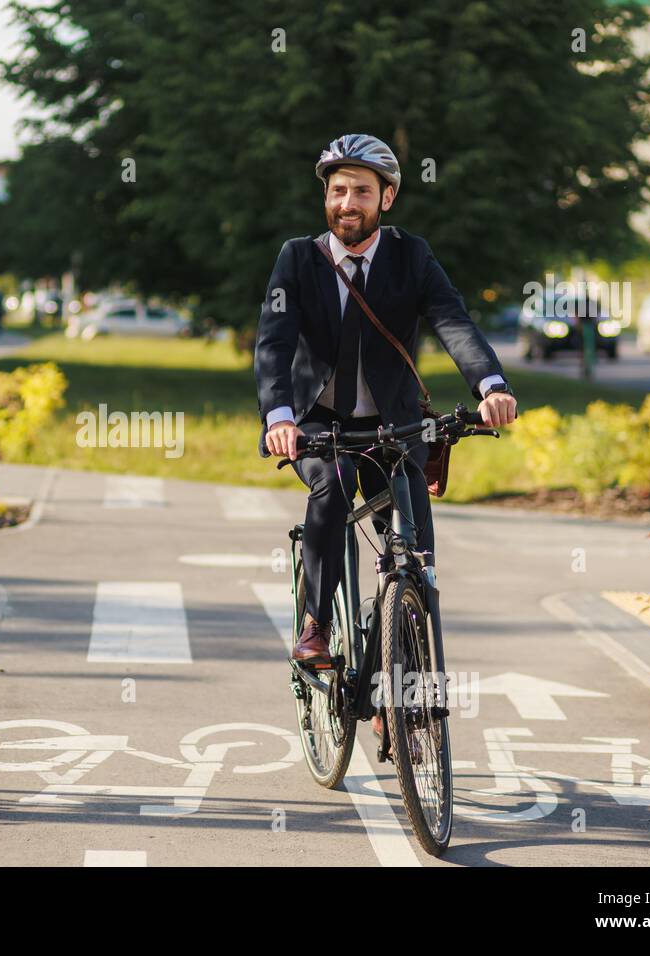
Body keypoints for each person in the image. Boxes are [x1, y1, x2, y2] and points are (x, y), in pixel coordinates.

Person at [254, 133, 518, 737]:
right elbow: (272, 344)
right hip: (318, 427)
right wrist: (280, 418)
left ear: (387, 198)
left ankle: (401, 693)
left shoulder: (411, 257)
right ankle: (317, 625)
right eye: (338, 190)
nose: (348, 202)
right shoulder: (298, 259)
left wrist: (490, 385)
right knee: (331, 490)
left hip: (395, 425)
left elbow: (453, 320)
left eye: (362, 192)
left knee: (416, 558)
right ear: (327, 196)